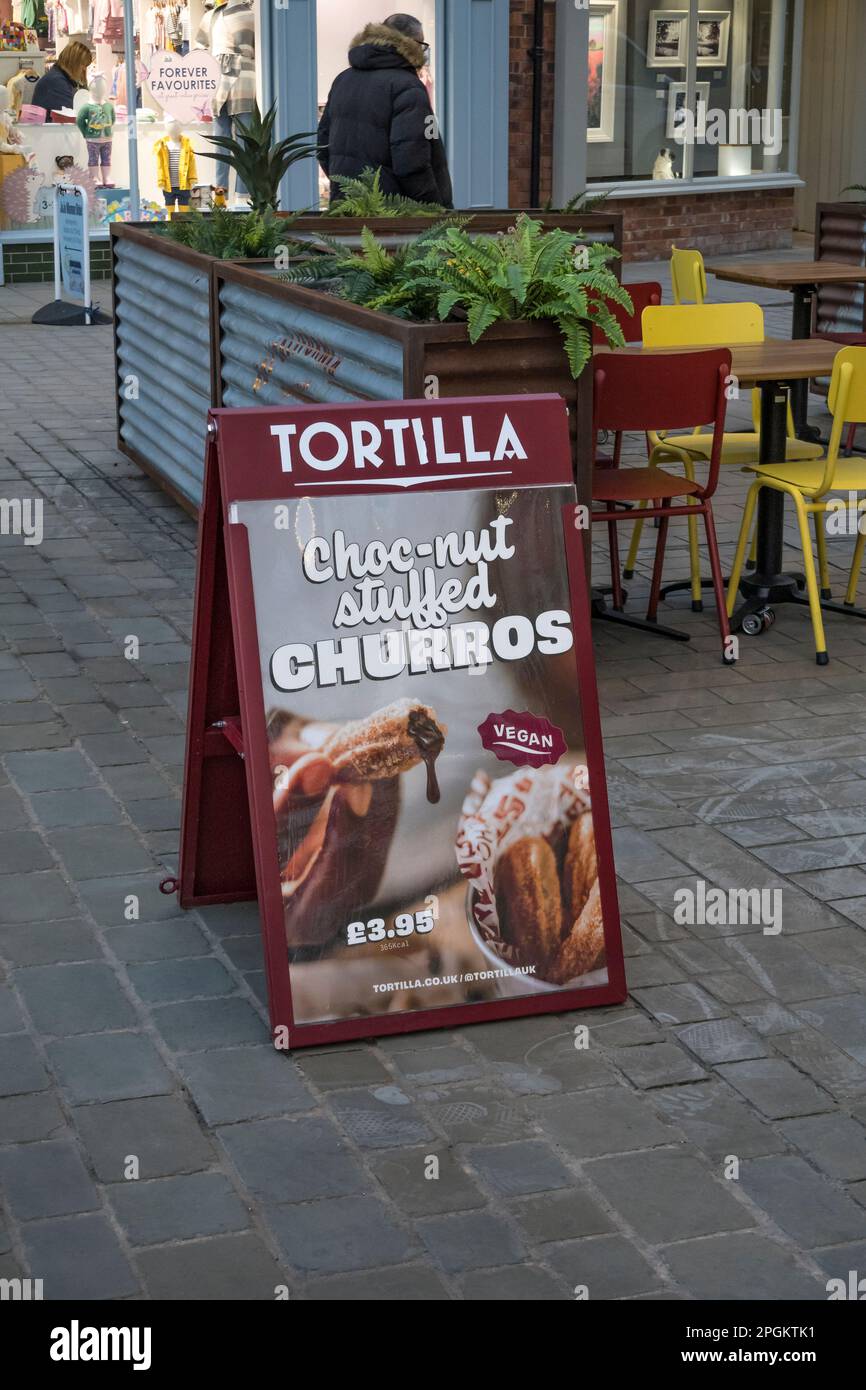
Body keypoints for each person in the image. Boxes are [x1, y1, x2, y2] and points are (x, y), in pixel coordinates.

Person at [318, 13, 452, 208]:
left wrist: (349, 188)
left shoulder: (342, 80)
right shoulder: (407, 86)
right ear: (411, 43)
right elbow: (412, 161)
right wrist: (433, 207)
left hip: (346, 208)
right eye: (422, 46)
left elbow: (323, 145)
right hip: (393, 216)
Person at [32, 42, 93, 123]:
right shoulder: (57, 82)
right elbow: (69, 119)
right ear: (74, 62)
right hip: (51, 133)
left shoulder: (58, 77)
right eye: (83, 65)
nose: (84, 69)